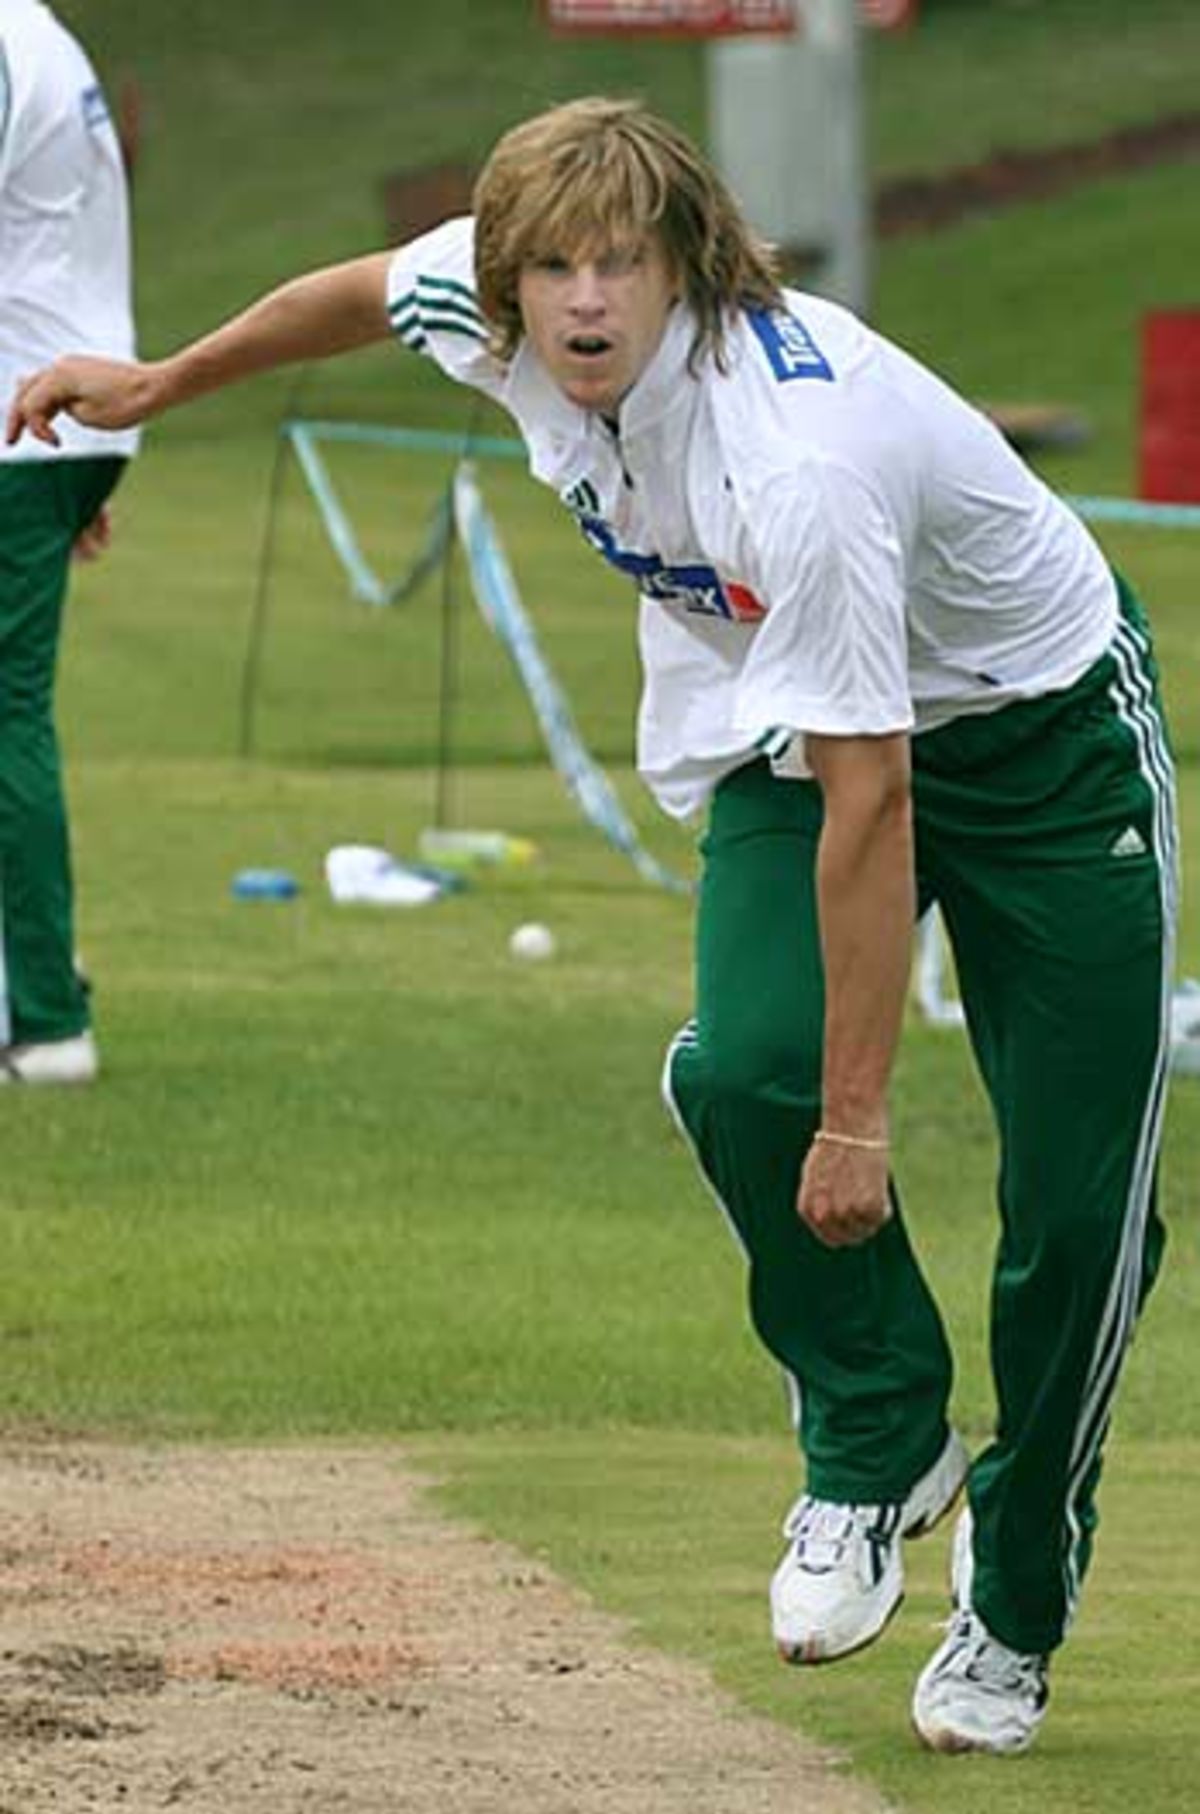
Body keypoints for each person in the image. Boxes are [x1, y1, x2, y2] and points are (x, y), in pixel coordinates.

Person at [6, 97, 1177, 1753]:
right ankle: (877, 1438)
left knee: (1076, 1207)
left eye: (618, 262)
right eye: (550, 267)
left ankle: (1022, 1585)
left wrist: (863, 1122)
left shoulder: (799, 457)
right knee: (743, 1073)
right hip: (795, 722)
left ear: (684, 266)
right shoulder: (497, 313)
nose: (581, 301)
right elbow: (354, 291)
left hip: (1041, 733)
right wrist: (159, 383)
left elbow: (877, 803)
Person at [0, 0, 138, 1083]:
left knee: (5, 717)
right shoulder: (40, 36)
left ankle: (41, 1014)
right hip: (60, 424)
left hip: (25, 426)